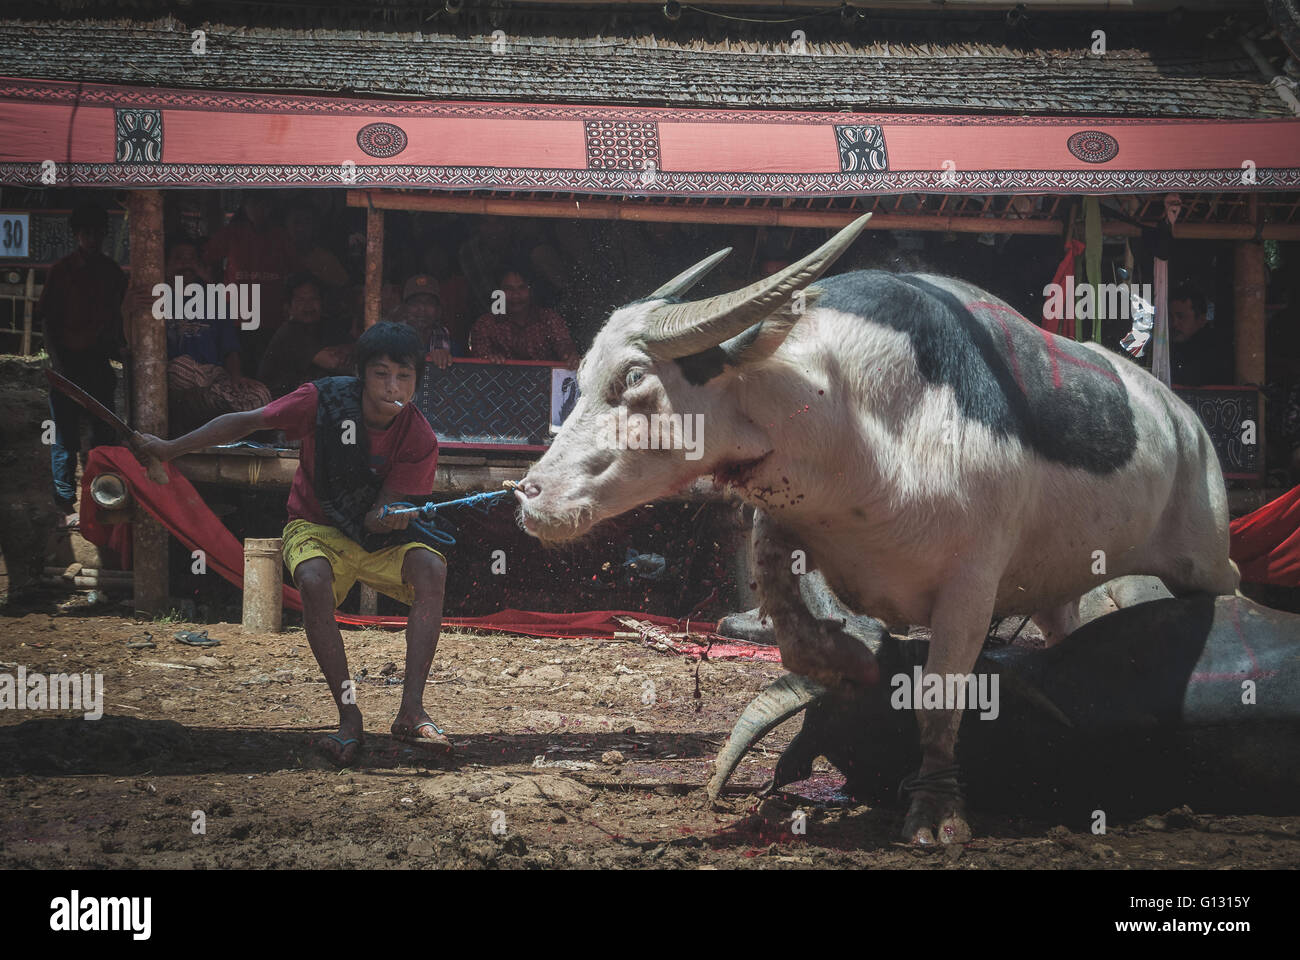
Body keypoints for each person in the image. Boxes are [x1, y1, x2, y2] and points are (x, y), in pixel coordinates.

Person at [133, 322, 451, 766]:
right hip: (315, 524)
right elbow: (244, 422)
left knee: (431, 569)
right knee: (313, 578)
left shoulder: (420, 438)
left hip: (375, 536)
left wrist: (391, 515)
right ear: (361, 374)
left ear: (418, 380)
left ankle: (410, 710)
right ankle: (349, 718)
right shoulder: (320, 400)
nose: (392, 387)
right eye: (381, 374)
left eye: (405, 376)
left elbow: (378, 517)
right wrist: (169, 448)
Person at [35, 203, 128, 527]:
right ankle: (64, 506)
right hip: (66, 362)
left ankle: (101, 499)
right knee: (64, 437)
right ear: (76, 235)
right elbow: (46, 321)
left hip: (98, 362)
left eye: (98, 232)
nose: (92, 238)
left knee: (104, 433)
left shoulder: (113, 273)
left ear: (105, 234)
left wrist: (122, 348)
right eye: (86, 233)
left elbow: (121, 319)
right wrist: (57, 365)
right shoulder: (61, 270)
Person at [162, 238, 271, 432]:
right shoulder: (158, 298)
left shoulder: (213, 299)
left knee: (259, 395)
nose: (187, 264)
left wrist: (236, 377)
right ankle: (218, 410)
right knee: (181, 367)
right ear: (166, 264)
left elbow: (230, 347)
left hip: (214, 378)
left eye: (192, 259)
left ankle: (215, 410)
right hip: (178, 374)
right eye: (179, 258)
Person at [206, 192, 293, 363]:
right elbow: (207, 260)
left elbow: (293, 270)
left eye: (265, 204)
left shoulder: (281, 236)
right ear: (245, 206)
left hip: (271, 316)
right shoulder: (232, 233)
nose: (260, 209)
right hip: (237, 316)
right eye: (255, 203)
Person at [257, 275, 354, 398]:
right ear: (289, 307)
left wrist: (344, 350)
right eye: (300, 300)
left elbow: (354, 349)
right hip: (284, 402)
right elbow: (333, 362)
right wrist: (340, 352)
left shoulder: (327, 325)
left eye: (314, 299)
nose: (308, 305)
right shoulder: (289, 332)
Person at [468, 266, 580, 368]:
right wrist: (489, 360)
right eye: (509, 289)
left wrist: (569, 355)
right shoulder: (485, 324)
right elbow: (479, 362)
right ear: (498, 291)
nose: (516, 295)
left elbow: (564, 345)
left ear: (531, 291)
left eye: (522, 288)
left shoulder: (548, 318)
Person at [1170, 283, 1233, 386]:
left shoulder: (1215, 352)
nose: (1174, 324)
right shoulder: (1163, 345)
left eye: (1181, 317)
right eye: (1170, 317)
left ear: (1201, 320)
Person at [391, 274, 452, 370]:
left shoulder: (451, 345)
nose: (422, 309)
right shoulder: (390, 339)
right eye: (415, 303)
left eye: (429, 303)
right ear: (404, 309)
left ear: (438, 310)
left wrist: (444, 357)